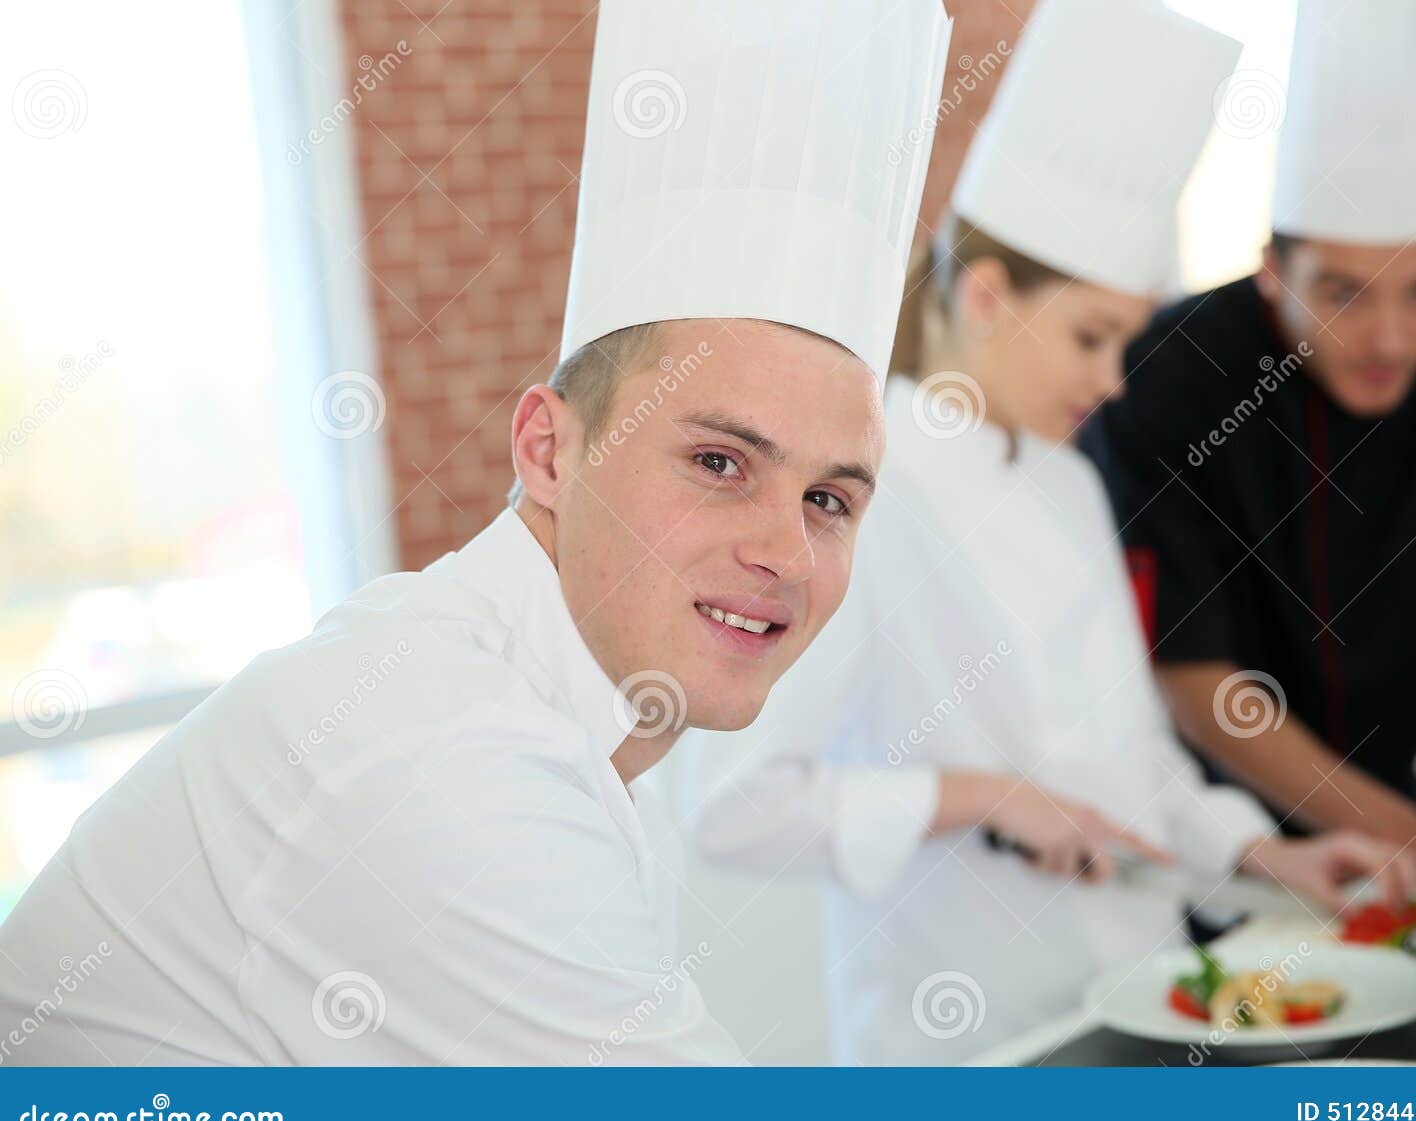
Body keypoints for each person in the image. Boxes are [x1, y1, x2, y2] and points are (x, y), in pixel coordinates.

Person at [0, 0, 952, 1065]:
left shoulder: (539, 705)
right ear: (548, 450)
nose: (784, 552)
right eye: (719, 463)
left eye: (830, 499)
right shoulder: (446, 748)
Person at [681, 0, 1411, 1067]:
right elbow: (733, 808)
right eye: (1090, 335)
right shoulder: (854, 497)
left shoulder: (1067, 483)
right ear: (984, 296)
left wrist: (1268, 855)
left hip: (1142, 1009)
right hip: (970, 1050)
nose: (1112, 380)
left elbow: (1132, 765)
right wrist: (981, 798)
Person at [1082, 0, 1416, 891]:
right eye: (1346, 294)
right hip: (1215, 841)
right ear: (1273, 269)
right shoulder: (1169, 376)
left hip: (1396, 791)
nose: (1393, 338)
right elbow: (1198, 682)